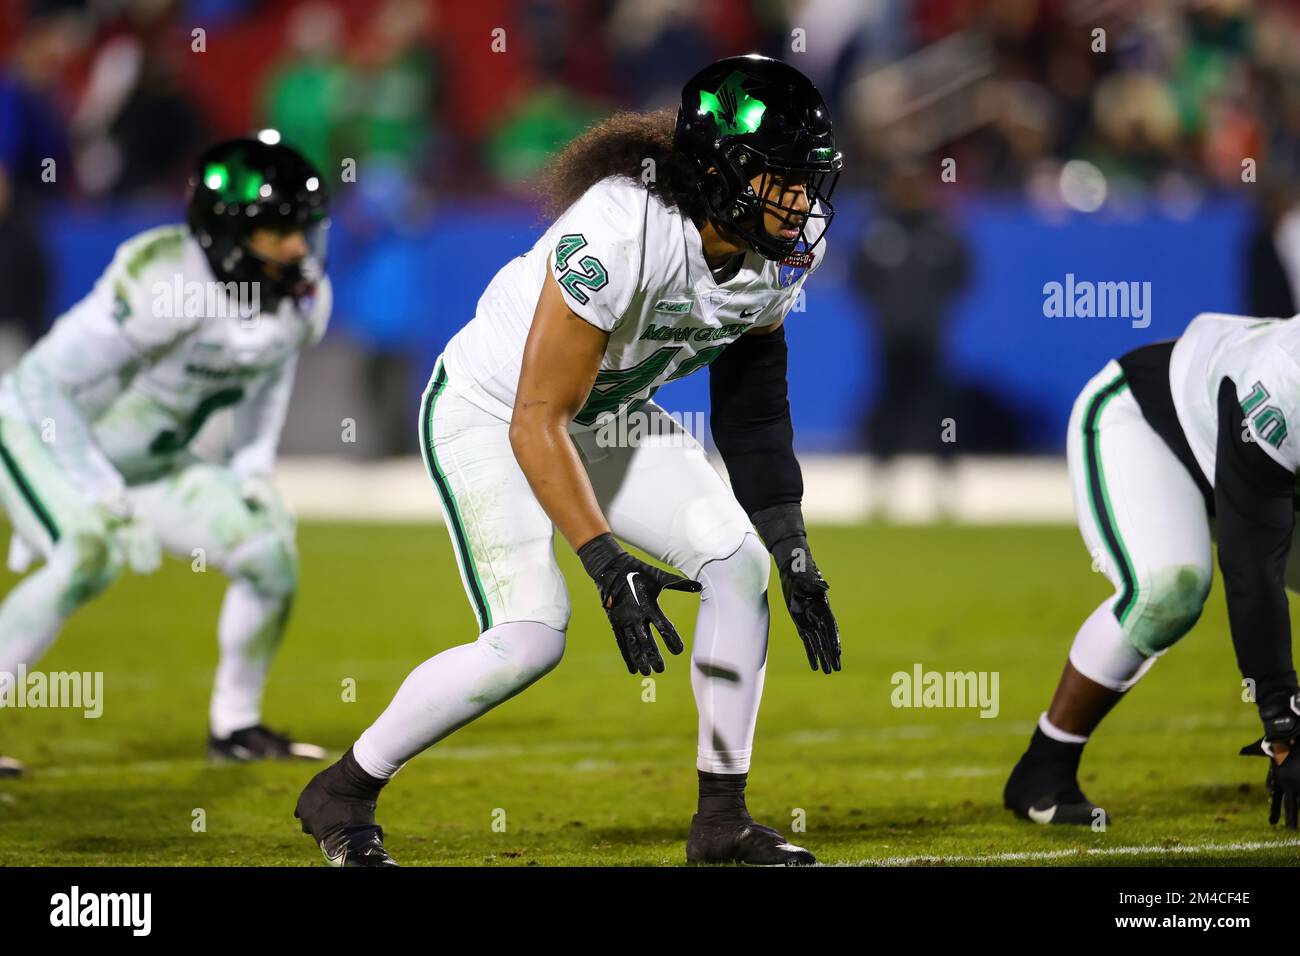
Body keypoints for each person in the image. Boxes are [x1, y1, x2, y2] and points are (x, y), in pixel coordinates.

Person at [295, 55, 843, 866]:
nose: (801, 202)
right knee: (530, 637)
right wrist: (604, 561)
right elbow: (534, 418)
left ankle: (722, 822)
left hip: (600, 414)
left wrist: (789, 538)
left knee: (738, 565)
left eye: (808, 180)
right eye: (781, 178)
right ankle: (344, 788)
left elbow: (753, 407)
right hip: (493, 410)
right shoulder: (620, 229)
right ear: (721, 170)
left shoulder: (784, 254)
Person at [0, 137, 333, 776]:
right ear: (227, 231)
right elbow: (44, 384)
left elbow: (269, 377)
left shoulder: (299, 299)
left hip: (150, 463)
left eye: (302, 228)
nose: (297, 247)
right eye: (277, 228)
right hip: (38, 432)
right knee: (88, 555)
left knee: (267, 551)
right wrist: (98, 490)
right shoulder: (164, 283)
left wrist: (253, 467)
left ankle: (235, 725)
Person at [1005, 311, 1300, 829]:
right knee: (1169, 589)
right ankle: (1044, 767)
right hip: (1151, 427)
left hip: (1256, 463)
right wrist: (1282, 723)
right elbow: (1251, 568)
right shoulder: (1284, 385)